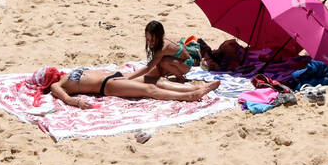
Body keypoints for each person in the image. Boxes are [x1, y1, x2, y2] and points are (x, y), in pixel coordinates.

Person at [23, 65, 218, 107]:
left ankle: (193, 89)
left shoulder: (65, 75)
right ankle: (189, 95)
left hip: (114, 76)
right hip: (107, 86)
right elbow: (67, 99)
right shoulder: (57, 85)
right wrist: (79, 103)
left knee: (155, 80)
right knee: (150, 90)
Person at [129, 21, 197, 83]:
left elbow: (148, 67)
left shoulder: (163, 48)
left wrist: (128, 78)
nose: (150, 43)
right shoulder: (159, 42)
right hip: (176, 62)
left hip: (186, 64)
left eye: (152, 40)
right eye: (148, 40)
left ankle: (180, 78)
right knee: (151, 75)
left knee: (163, 62)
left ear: (159, 37)